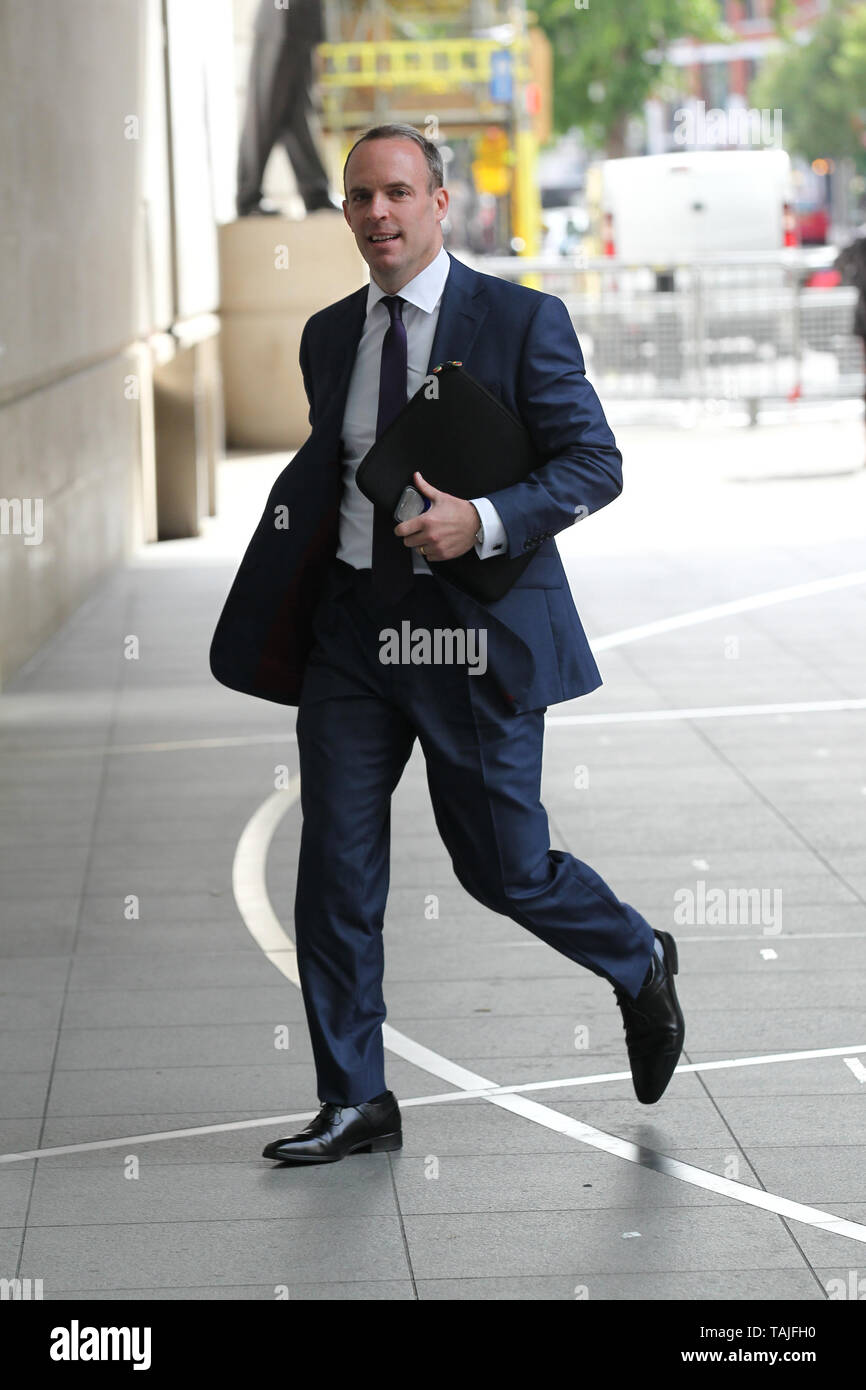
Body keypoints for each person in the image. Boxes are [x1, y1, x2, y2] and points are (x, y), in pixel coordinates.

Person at [209, 123, 685, 1165]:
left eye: (394, 193)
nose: (375, 215)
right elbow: (337, 472)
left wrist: (486, 517)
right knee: (333, 868)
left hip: (471, 633)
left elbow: (592, 463)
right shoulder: (330, 333)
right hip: (351, 634)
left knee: (502, 869)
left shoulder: (518, 320)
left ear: (438, 201)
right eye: (357, 199)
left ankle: (635, 954)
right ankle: (354, 1099)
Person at [236, 0, 339, 217]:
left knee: (297, 111)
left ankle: (316, 193)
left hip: (299, 23)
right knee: (265, 110)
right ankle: (248, 196)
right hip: (281, 21)